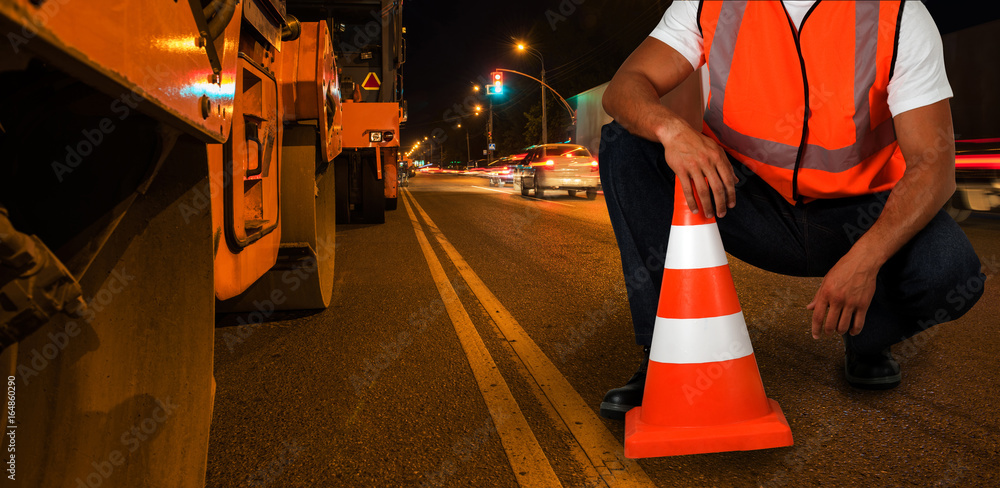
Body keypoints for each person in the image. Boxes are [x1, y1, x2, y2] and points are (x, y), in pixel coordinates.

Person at [597, 0, 985, 420]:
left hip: (856, 216)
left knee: (952, 270)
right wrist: (672, 131)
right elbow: (625, 87)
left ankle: (869, 338)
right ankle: (665, 355)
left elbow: (935, 166)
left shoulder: (899, 13)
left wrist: (865, 261)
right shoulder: (710, 3)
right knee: (627, 144)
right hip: (741, 196)